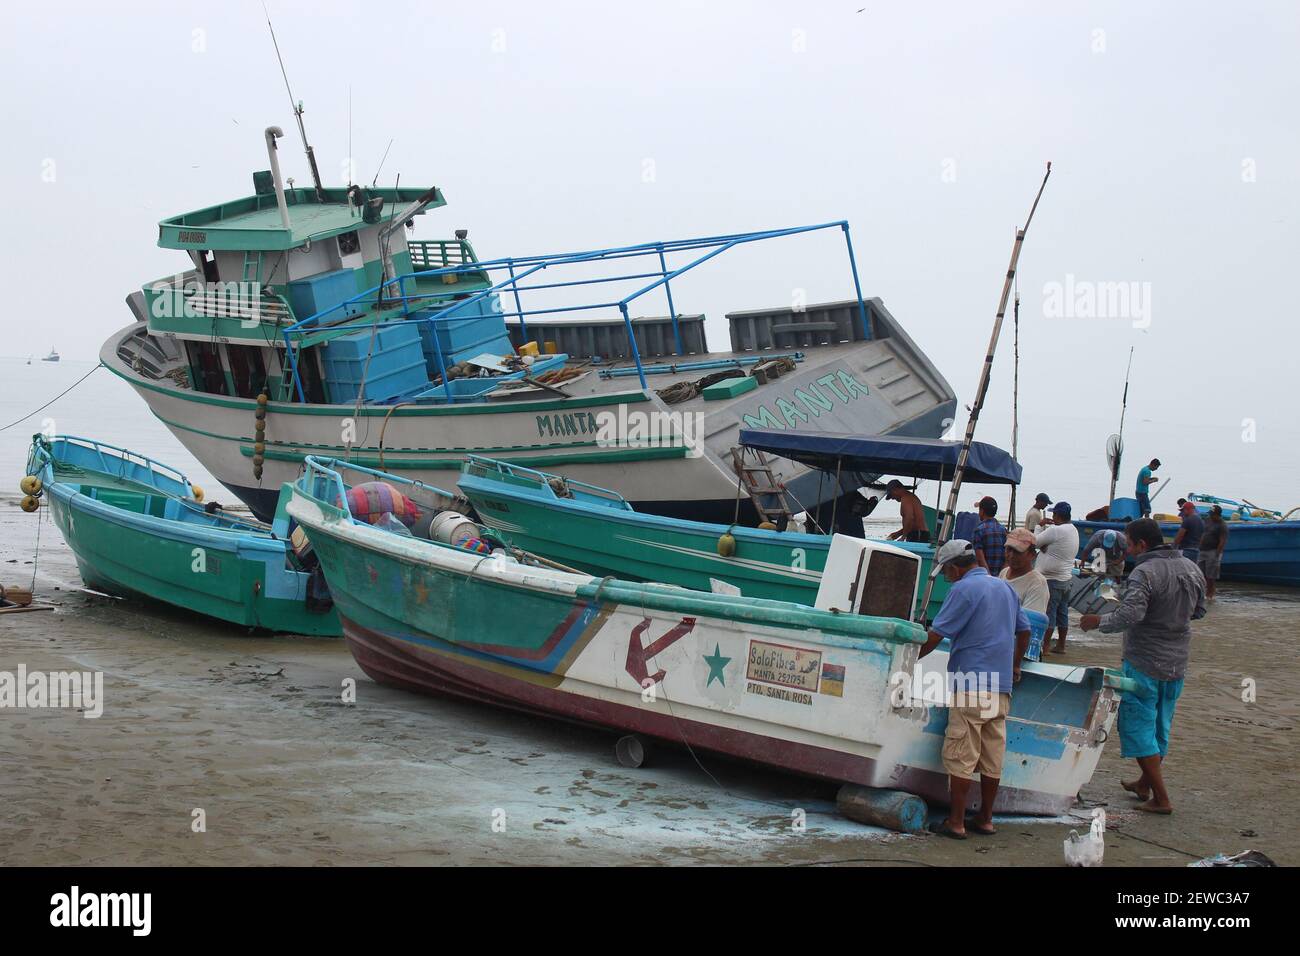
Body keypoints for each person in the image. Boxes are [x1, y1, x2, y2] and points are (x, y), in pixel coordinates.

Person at [1080, 518, 1206, 814]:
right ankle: (1144, 783)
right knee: (1161, 724)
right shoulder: (1191, 567)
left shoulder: (1144, 572)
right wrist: (1172, 618)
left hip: (1144, 661)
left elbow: (1131, 615)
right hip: (1177, 662)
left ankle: (1161, 798)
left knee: (1138, 726)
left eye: (1129, 544)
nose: (1127, 552)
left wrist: (1098, 622)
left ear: (1142, 544)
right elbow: (1198, 611)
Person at [919, 540, 1031, 839]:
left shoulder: (962, 590)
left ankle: (955, 822)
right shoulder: (1004, 587)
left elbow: (936, 634)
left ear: (955, 568)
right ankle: (985, 818)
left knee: (961, 755)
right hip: (1001, 687)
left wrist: (907, 660)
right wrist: (1015, 666)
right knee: (992, 755)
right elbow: (1025, 630)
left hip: (970, 685)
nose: (948, 578)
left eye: (947, 573)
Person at [1035, 501, 1080, 654]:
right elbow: (1049, 546)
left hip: (1051, 580)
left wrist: (1039, 526)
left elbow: (1034, 542)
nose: (1052, 516)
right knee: (1062, 614)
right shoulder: (1073, 529)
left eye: (1053, 514)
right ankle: (1061, 645)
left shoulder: (1055, 530)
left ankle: (1045, 647)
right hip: (1066, 579)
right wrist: (1044, 546)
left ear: (1057, 516)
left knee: (1049, 614)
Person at [999, 528, 1049, 614]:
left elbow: (1030, 623)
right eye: (1009, 549)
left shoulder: (1037, 583)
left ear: (1032, 555)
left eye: (1017, 552)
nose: (1011, 555)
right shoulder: (1004, 572)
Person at [1197, 504, 1229, 601]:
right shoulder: (1207, 520)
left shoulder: (1222, 525)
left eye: (1212, 514)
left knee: (1211, 577)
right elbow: (1204, 532)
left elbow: (1222, 541)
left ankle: (1210, 596)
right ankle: (1202, 594)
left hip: (1213, 552)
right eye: (1210, 514)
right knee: (1200, 574)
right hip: (1202, 550)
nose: (1210, 516)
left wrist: (1217, 554)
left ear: (1217, 515)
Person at [971, 496, 1008, 576]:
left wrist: (988, 577)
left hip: (985, 577)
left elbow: (980, 558)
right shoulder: (1003, 530)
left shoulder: (979, 530)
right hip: (1000, 577)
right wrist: (1000, 577)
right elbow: (1007, 557)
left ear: (982, 511)